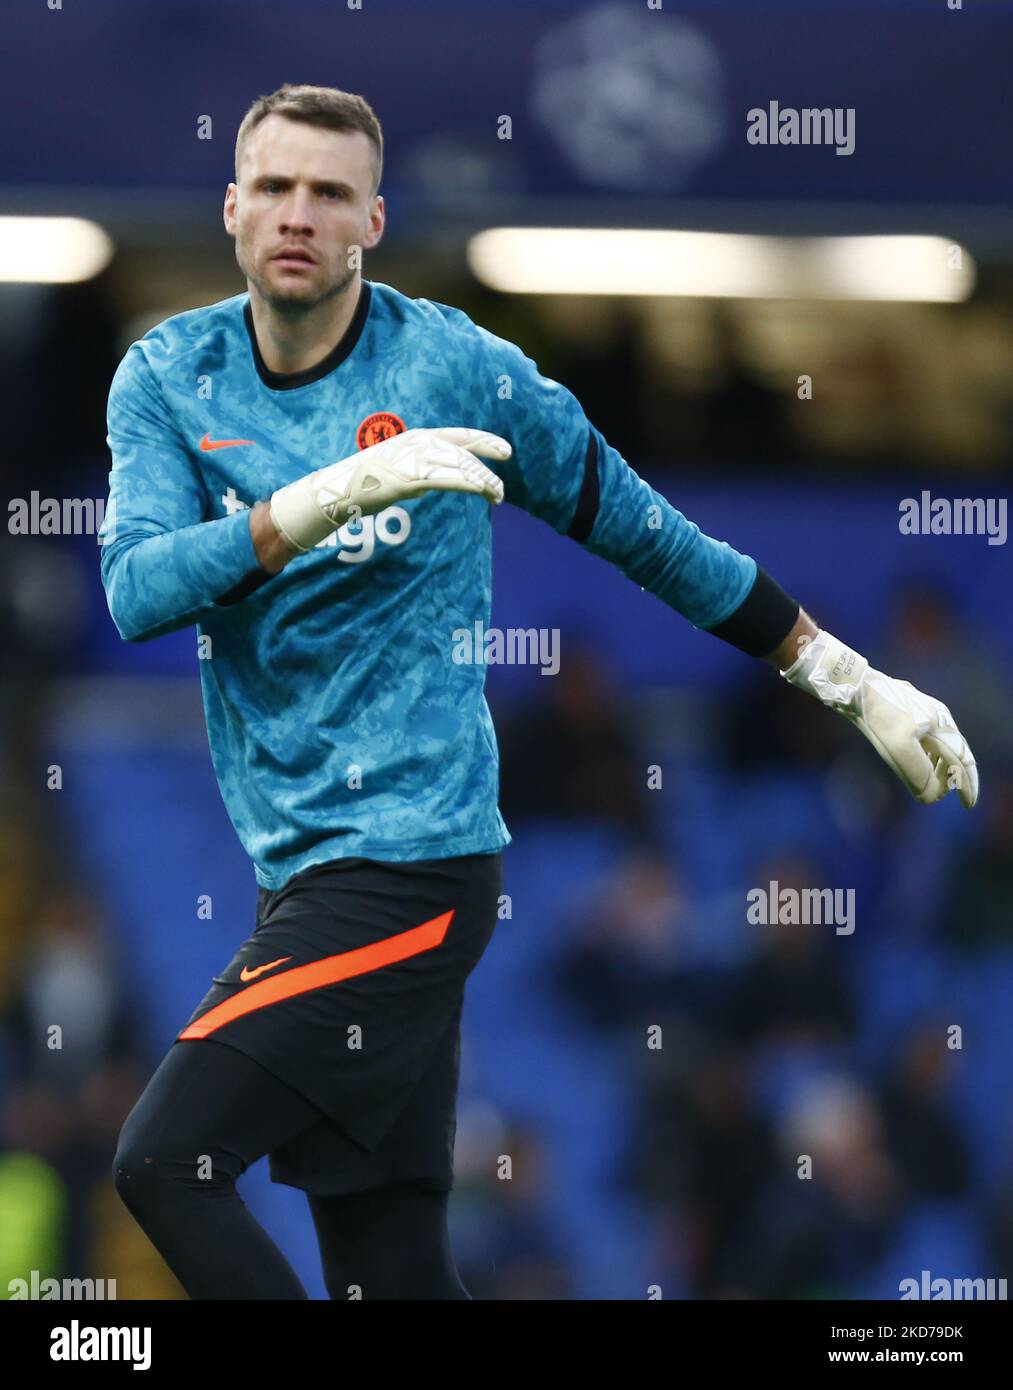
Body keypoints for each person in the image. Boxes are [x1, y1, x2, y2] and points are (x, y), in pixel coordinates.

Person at [100, 84, 978, 1300]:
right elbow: (135, 590)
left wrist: (843, 677)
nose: (301, 213)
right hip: (295, 873)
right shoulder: (167, 376)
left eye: (332, 192)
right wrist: (317, 502)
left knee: (164, 1161)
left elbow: (645, 531)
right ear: (234, 208)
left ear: (372, 219)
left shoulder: (459, 368)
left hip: (411, 864)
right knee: (390, 1273)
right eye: (279, 188)